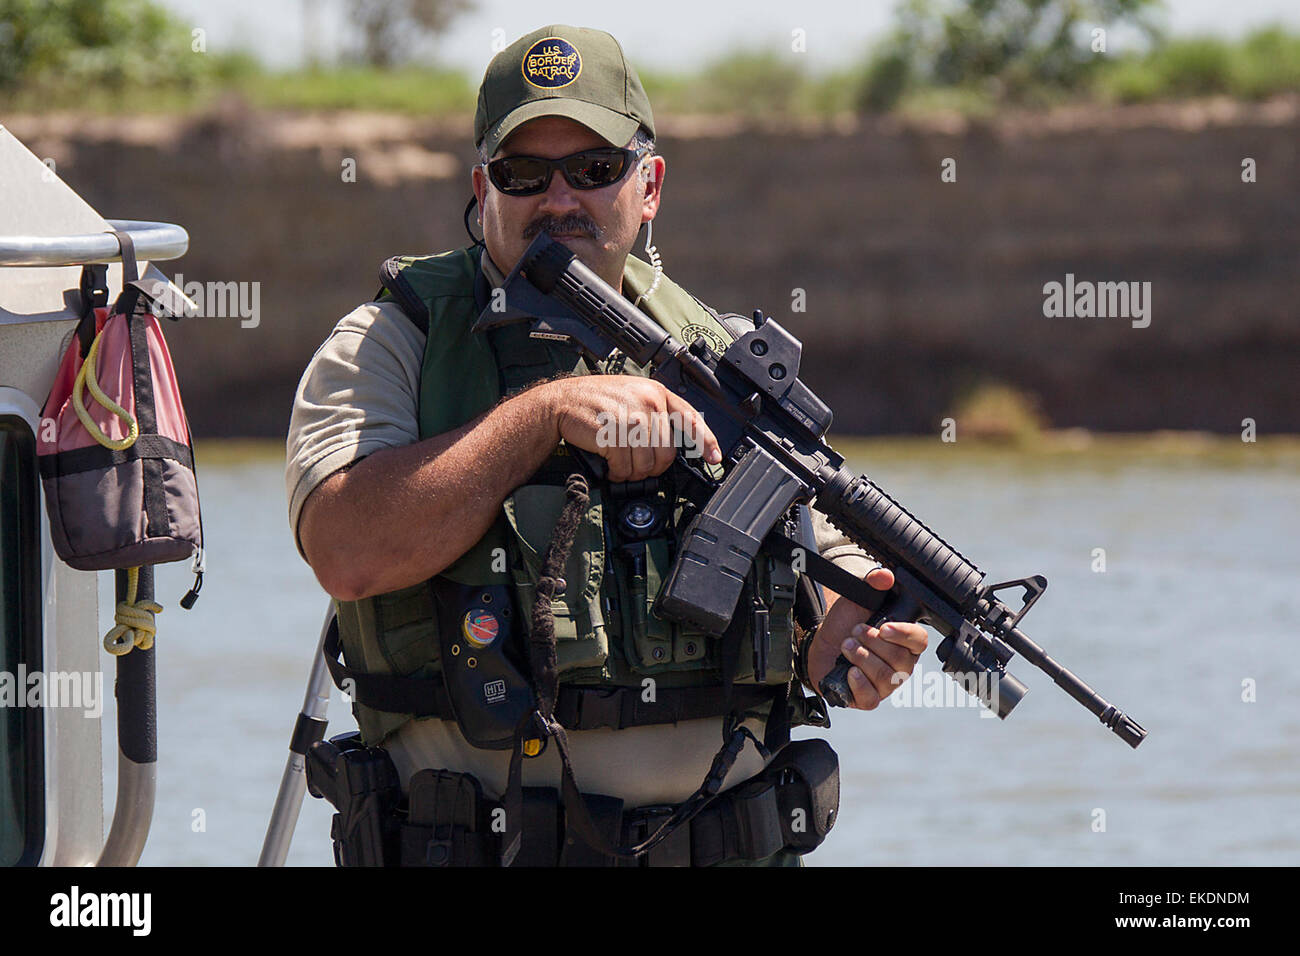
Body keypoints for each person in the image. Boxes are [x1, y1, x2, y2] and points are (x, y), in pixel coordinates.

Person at [285, 24, 928, 867]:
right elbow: (347, 549)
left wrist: (849, 639)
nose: (560, 199)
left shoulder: (723, 359)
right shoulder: (393, 339)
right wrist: (543, 417)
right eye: (525, 174)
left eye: (594, 170)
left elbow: (820, 583)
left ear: (649, 184)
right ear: (483, 189)